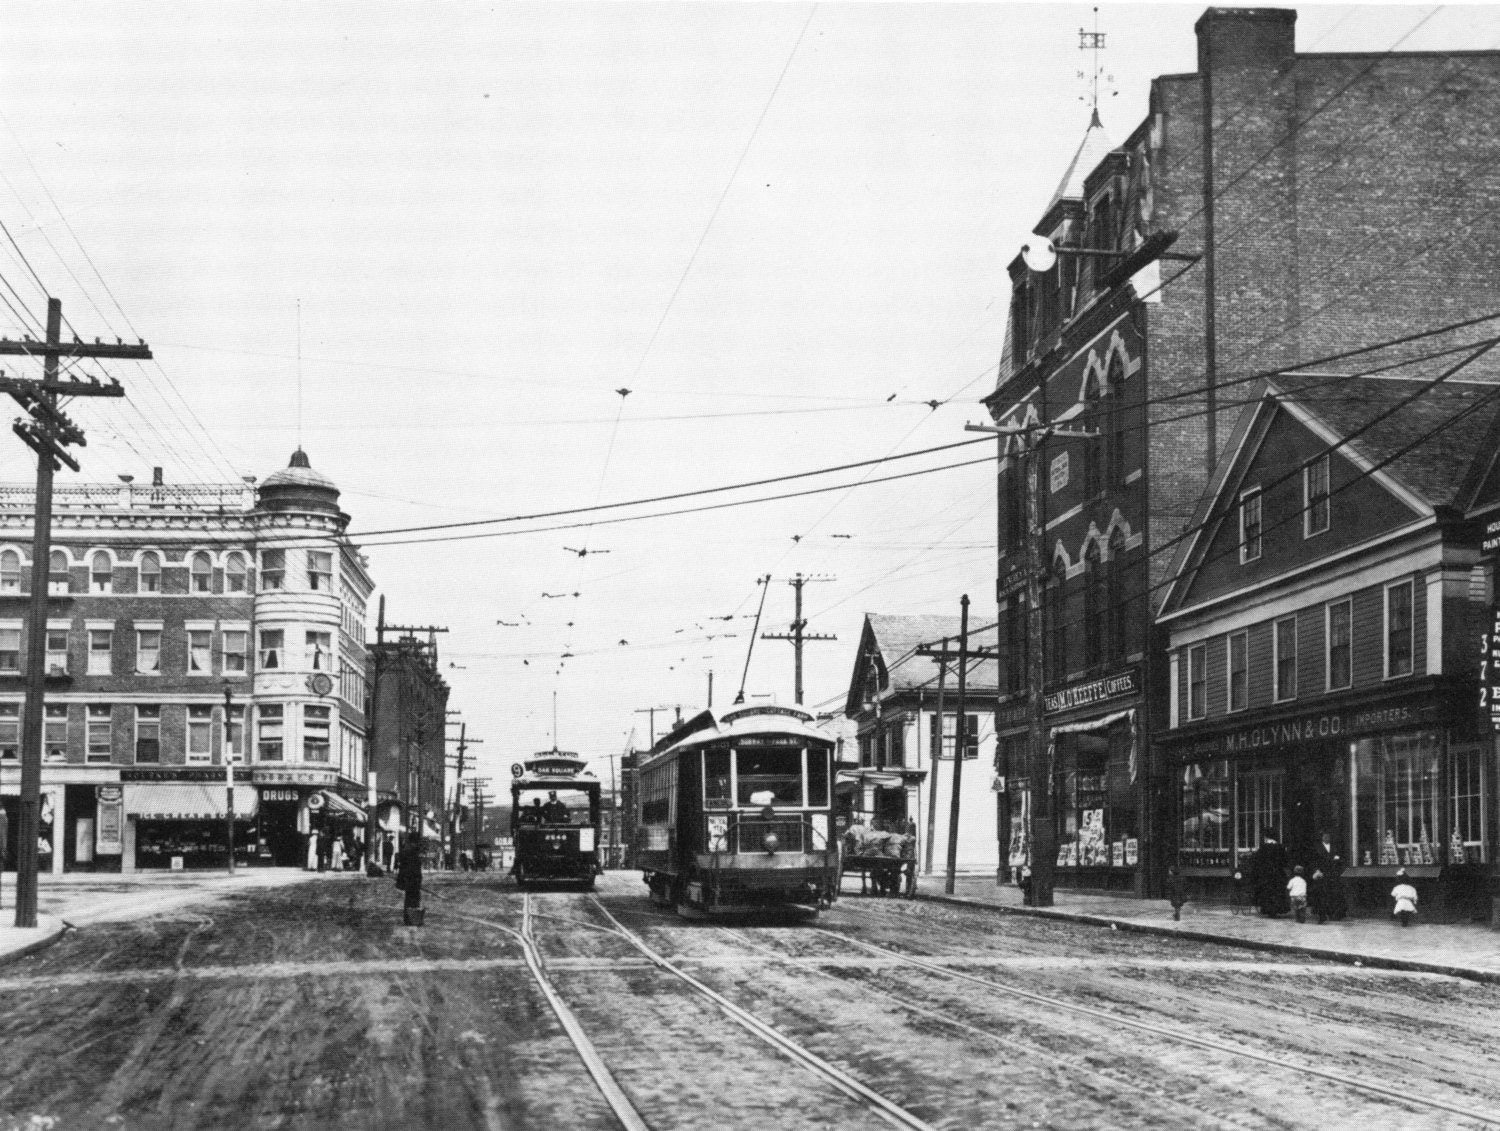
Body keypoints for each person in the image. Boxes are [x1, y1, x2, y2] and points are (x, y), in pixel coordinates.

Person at [1249, 828, 1290, 917]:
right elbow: (1285, 861)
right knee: (1277, 891)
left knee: (1268, 892)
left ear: (1266, 836)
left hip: (1267, 874)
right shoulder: (1280, 847)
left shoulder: (1264, 847)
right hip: (1278, 874)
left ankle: (1269, 910)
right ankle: (1277, 909)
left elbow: (1257, 860)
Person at [395, 835, 425, 926]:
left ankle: (408, 919)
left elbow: (402, 868)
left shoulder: (407, 852)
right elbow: (414, 868)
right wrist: (418, 880)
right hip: (413, 879)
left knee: (409, 899)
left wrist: (400, 881)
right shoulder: (414, 852)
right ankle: (413, 919)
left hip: (408, 880)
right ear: (415, 842)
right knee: (414, 899)